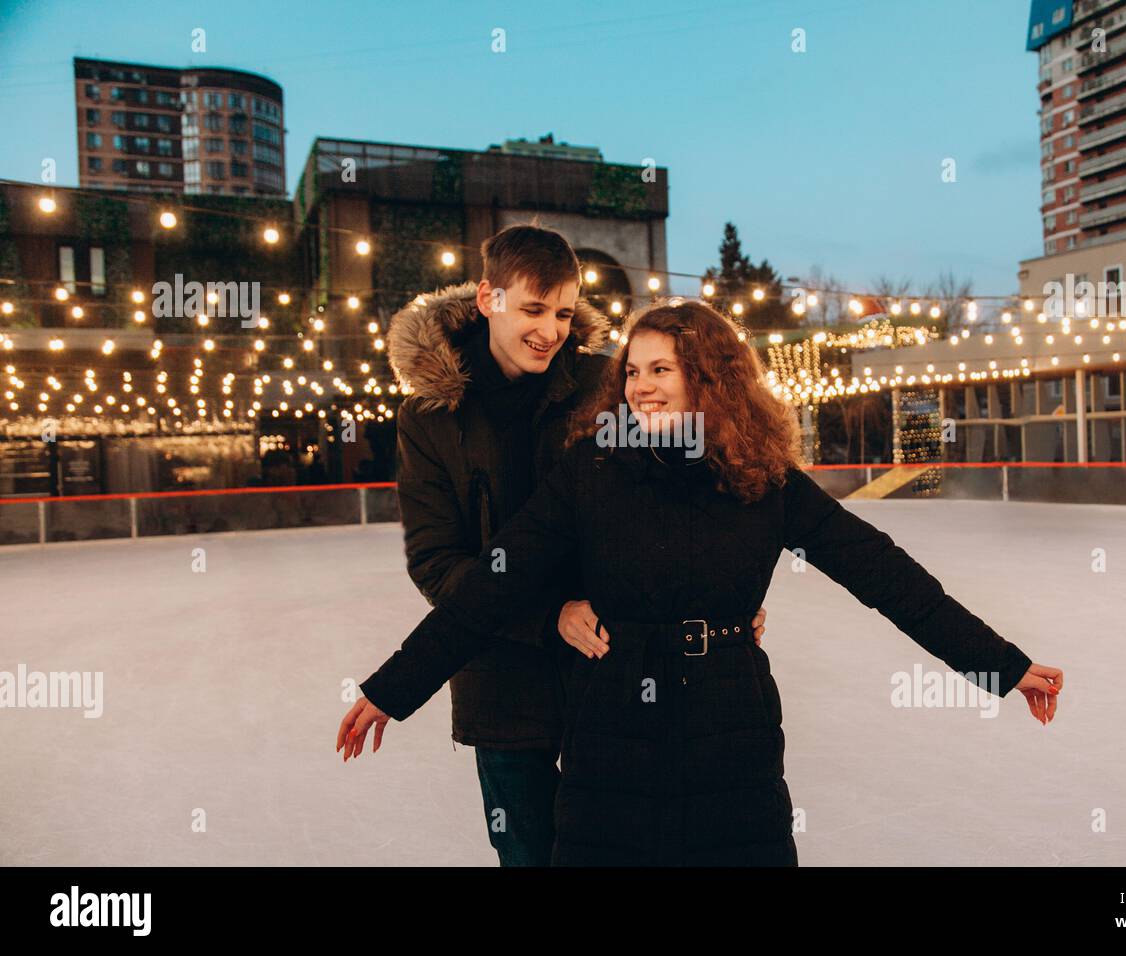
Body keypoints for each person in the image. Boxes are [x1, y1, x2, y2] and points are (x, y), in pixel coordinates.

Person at [339, 299, 1063, 866]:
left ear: (709, 376)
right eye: (633, 371)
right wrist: (392, 689)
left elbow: (886, 576)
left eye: (662, 369)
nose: (641, 386)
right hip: (611, 731)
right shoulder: (592, 471)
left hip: (730, 727)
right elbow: (489, 587)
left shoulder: (764, 480)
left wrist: (1001, 665)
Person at [378, 225, 768, 865]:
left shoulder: (602, 386)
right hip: (501, 681)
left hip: (614, 666)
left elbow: (683, 488)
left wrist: (720, 587)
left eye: (562, 313)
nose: (550, 330)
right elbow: (435, 561)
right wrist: (546, 617)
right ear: (489, 299)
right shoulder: (429, 418)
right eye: (533, 310)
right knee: (529, 852)